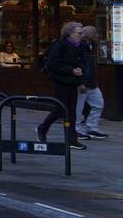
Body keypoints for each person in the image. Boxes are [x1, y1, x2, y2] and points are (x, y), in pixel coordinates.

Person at [37, 21, 87, 150]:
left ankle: (71, 139)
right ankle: (42, 128)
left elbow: (82, 62)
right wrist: (70, 70)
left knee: (71, 112)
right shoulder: (60, 45)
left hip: (73, 82)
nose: (81, 35)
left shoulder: (80, 46)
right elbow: (53, 63)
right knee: (60, 109)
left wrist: (81, 77)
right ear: (70, 34)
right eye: (79, 33)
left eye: (82, 33)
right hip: (61, 81)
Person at [75, 25, 109, 141]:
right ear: (88, 35)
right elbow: (79, 65)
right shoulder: (80, 47)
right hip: (83, 83)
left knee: (98, 104)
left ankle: (92, 127)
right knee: (78, 109)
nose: (97, 36)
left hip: (92, 82)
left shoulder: (92, 47)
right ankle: (77, 130)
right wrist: (81, 82)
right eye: (95, 34)